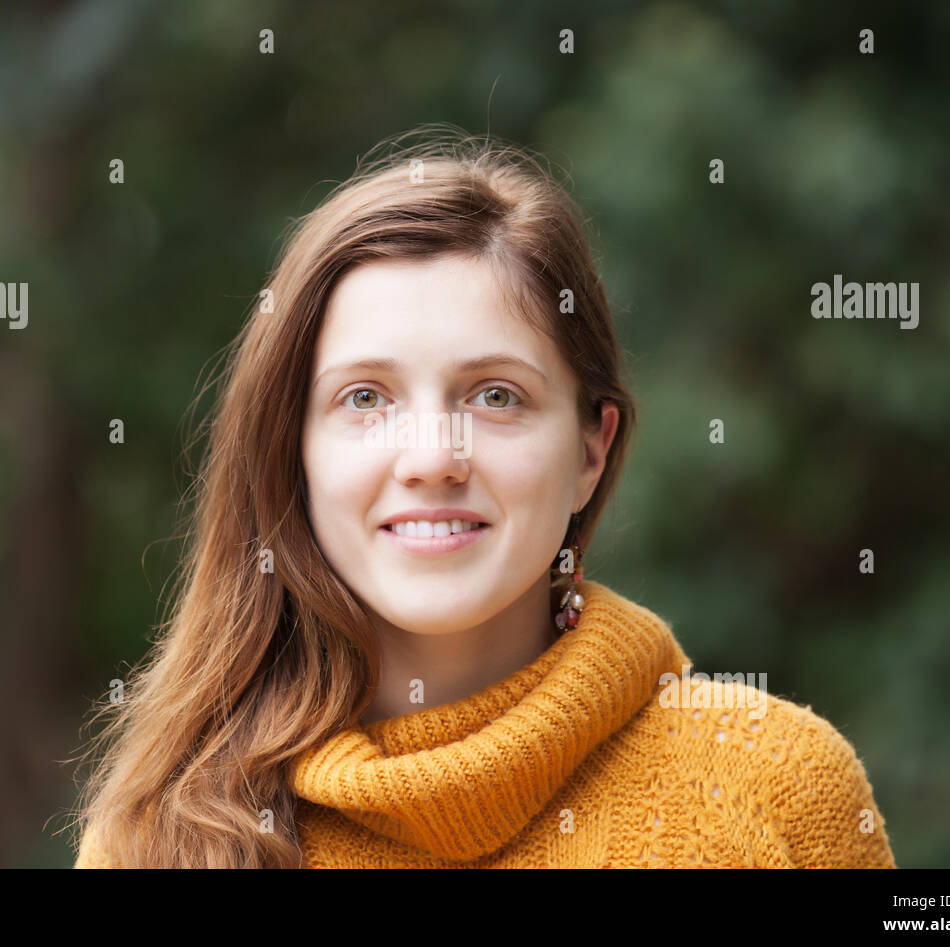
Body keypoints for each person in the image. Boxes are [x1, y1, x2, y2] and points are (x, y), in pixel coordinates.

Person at [69, 123, 896, 868]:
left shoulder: (776, 787)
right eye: (366, 398)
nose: (433, 457)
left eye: (495, 395)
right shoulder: (157, 845)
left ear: (590, 448)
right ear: (293, 454)